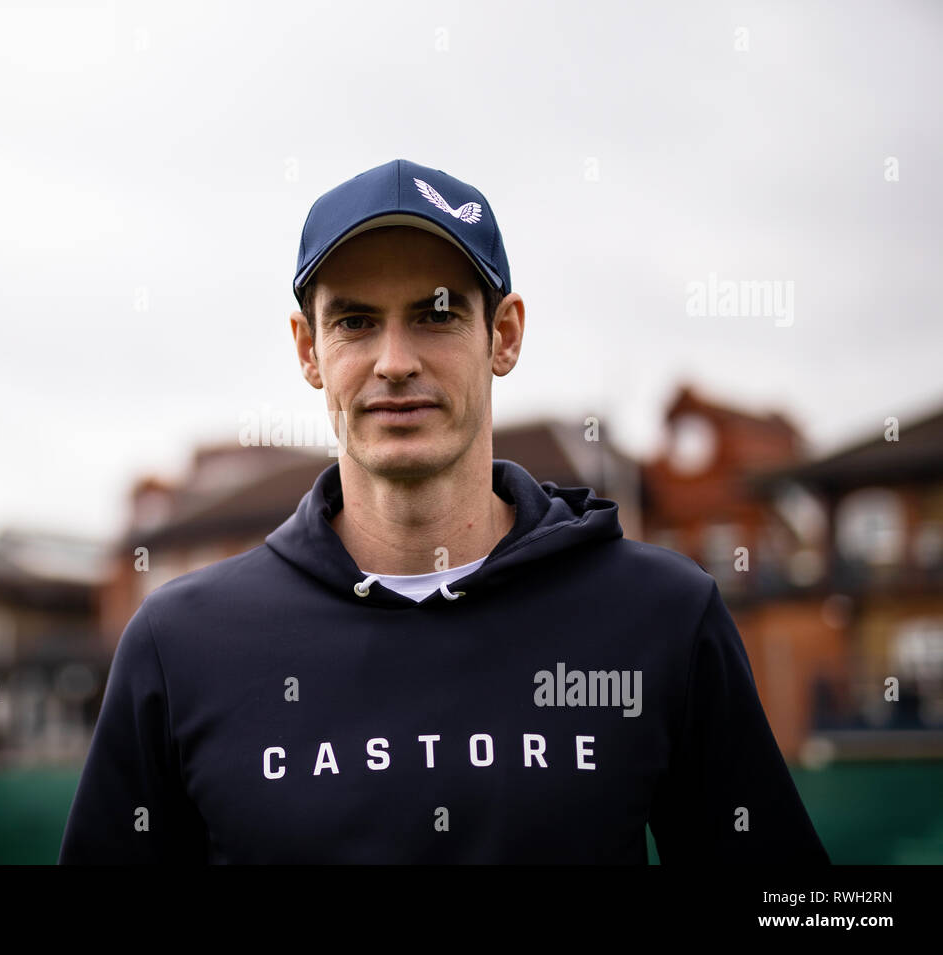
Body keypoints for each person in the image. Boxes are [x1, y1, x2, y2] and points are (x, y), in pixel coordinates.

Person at [58, 158, 830, 864]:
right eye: (355, 321)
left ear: (504, 333)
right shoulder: (181, 644)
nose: (395, 361)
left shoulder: (658, 615)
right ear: (307, 349)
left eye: (435, 314)